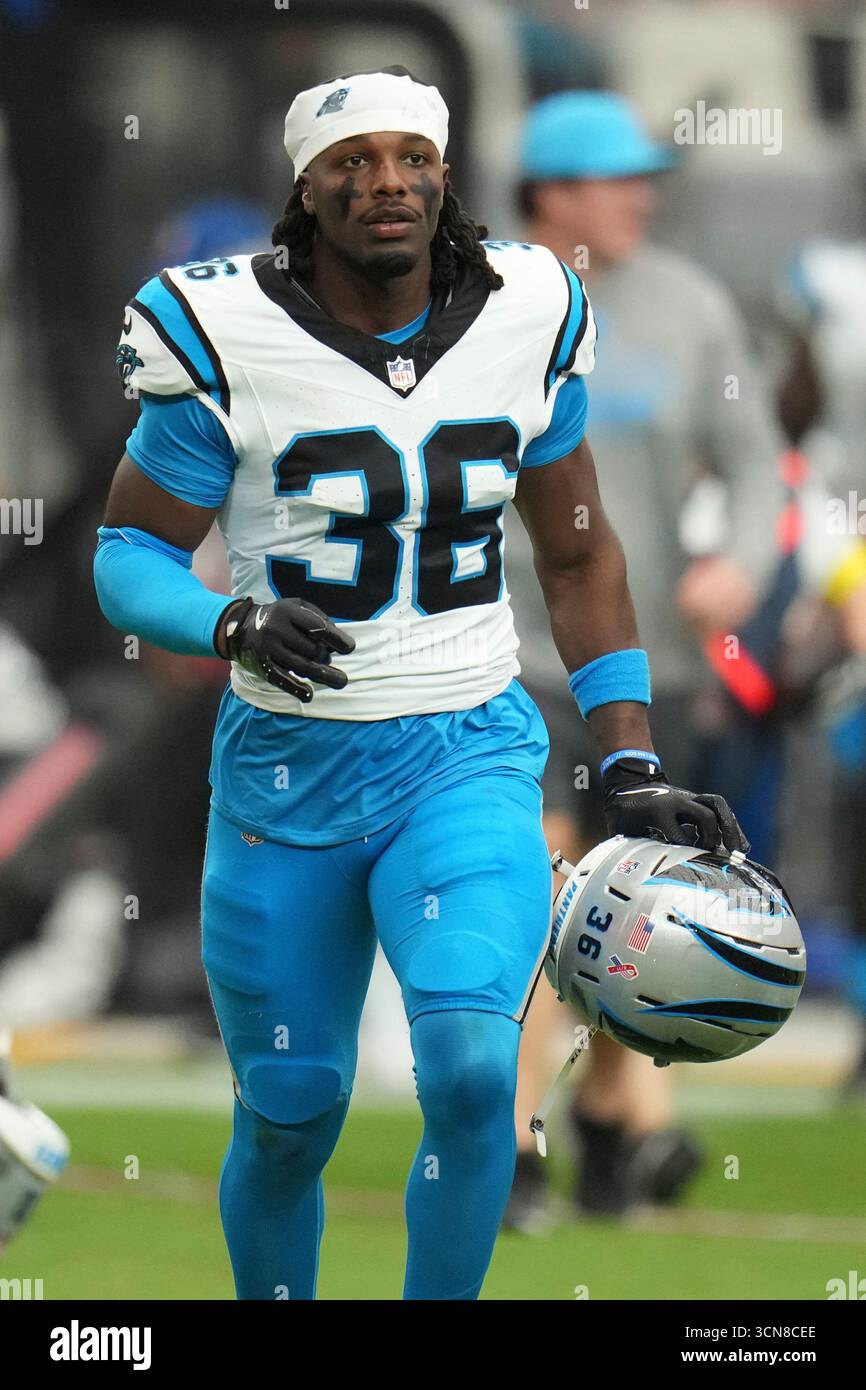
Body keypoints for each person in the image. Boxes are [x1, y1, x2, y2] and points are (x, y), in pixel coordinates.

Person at [93, 66, 746, 1301]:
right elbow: (125, 555)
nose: (384, 182)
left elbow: (575, 543)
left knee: (462, 1071)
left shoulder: (527, 305)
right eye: (351, 162)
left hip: (465, 746)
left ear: (444, 174)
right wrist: (228, 617)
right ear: (306, 187)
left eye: (410, 158)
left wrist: (626, 754)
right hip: (286, 770)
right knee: (291, 1108)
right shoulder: (219, 324)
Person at [504, 91, 787, 1228]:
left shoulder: (689, 307)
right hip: (513, 655)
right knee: (535, 905)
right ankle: (516, 1149)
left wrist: (742, 573)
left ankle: (610, 1124)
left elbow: (762, 465)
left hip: (653, 665)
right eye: (614, 177)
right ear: (548, 193)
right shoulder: (494, 306)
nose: (640, 195)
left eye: (643, 176)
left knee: (629, 917)